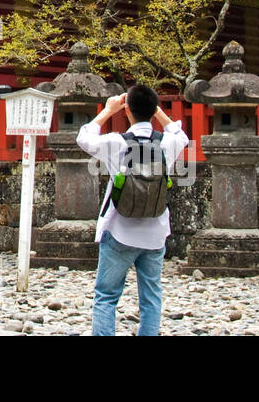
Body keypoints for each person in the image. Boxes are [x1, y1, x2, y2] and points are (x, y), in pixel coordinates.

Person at [77, 85, 190, 337]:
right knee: (151, 297)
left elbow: (83, 138)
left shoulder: (116, 142)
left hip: (119, 229)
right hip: (155, 231)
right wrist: (159, 113)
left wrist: (107, 111)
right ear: (153, 109)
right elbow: (179, 133)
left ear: (127, 109)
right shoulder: (168, 143)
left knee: (106, 295)